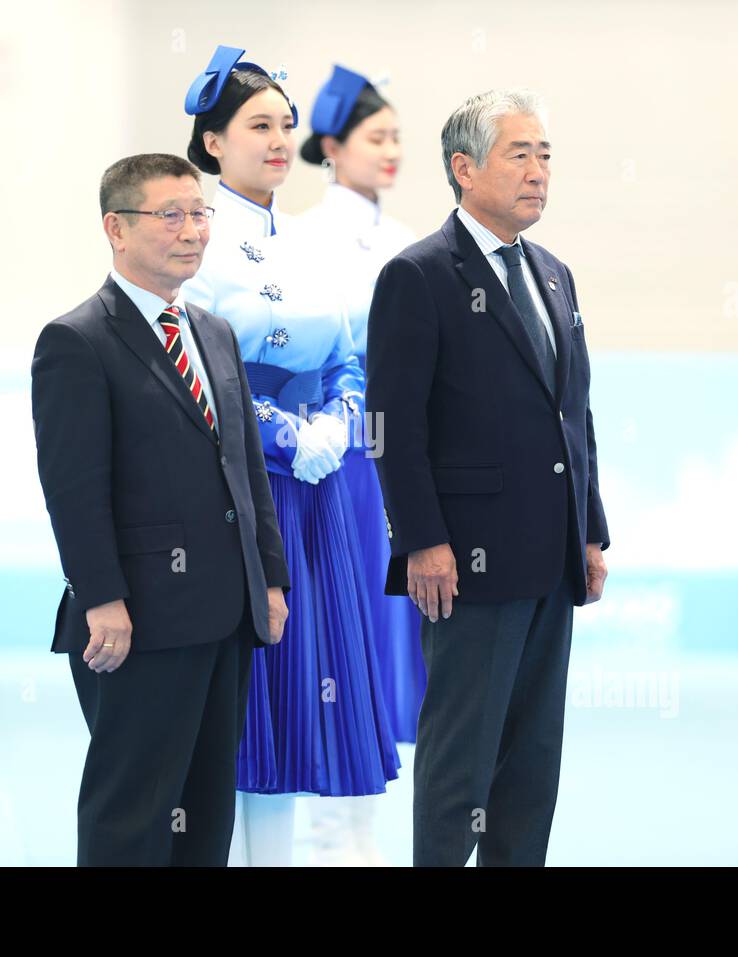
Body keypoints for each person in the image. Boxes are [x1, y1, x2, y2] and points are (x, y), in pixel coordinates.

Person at [367, 89, 611, 866]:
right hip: (466, 566)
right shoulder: (419, 275)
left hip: (550, 560)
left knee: (532, 765)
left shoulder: (553, 273)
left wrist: (592, 531)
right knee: (458, 767)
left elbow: (574, 414)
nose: (539, 171)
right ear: (463, 169)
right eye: (520, 154)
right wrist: (424, 542)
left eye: (545, 155)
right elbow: (390, 428)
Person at [30, 152, 290, 866]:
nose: (192, 231)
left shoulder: (213, 332)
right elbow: (74, 489)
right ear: (116, 228)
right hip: (137, 621)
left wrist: (268, 577)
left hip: (225, 614)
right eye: (169, 215)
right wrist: (102, 597)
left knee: (204, 815)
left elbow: (246, 470)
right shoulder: (76, 341)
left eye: (199, 213)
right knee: (132, 816)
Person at [180, 45, 400, 866]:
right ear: (213, 144)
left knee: (309, 696)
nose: (278, 141)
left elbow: (348, 353)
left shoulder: (310, 242)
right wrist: (282, 433)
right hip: (246, 492)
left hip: (320, 488)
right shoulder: (197, 244)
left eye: (285, 125)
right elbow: (205, 370)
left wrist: (340, 426)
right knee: (254, 702)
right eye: (257, 126)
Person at [291, 64, 422, 865]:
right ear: (333, 148)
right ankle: (327, 830)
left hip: (398, 459)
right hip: (340, 457)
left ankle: (357, 827)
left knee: (388, 640)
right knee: (341, 637)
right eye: (378, 137)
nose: (393, 151)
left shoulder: (409, 242)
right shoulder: (306, 238)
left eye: (400, 137)